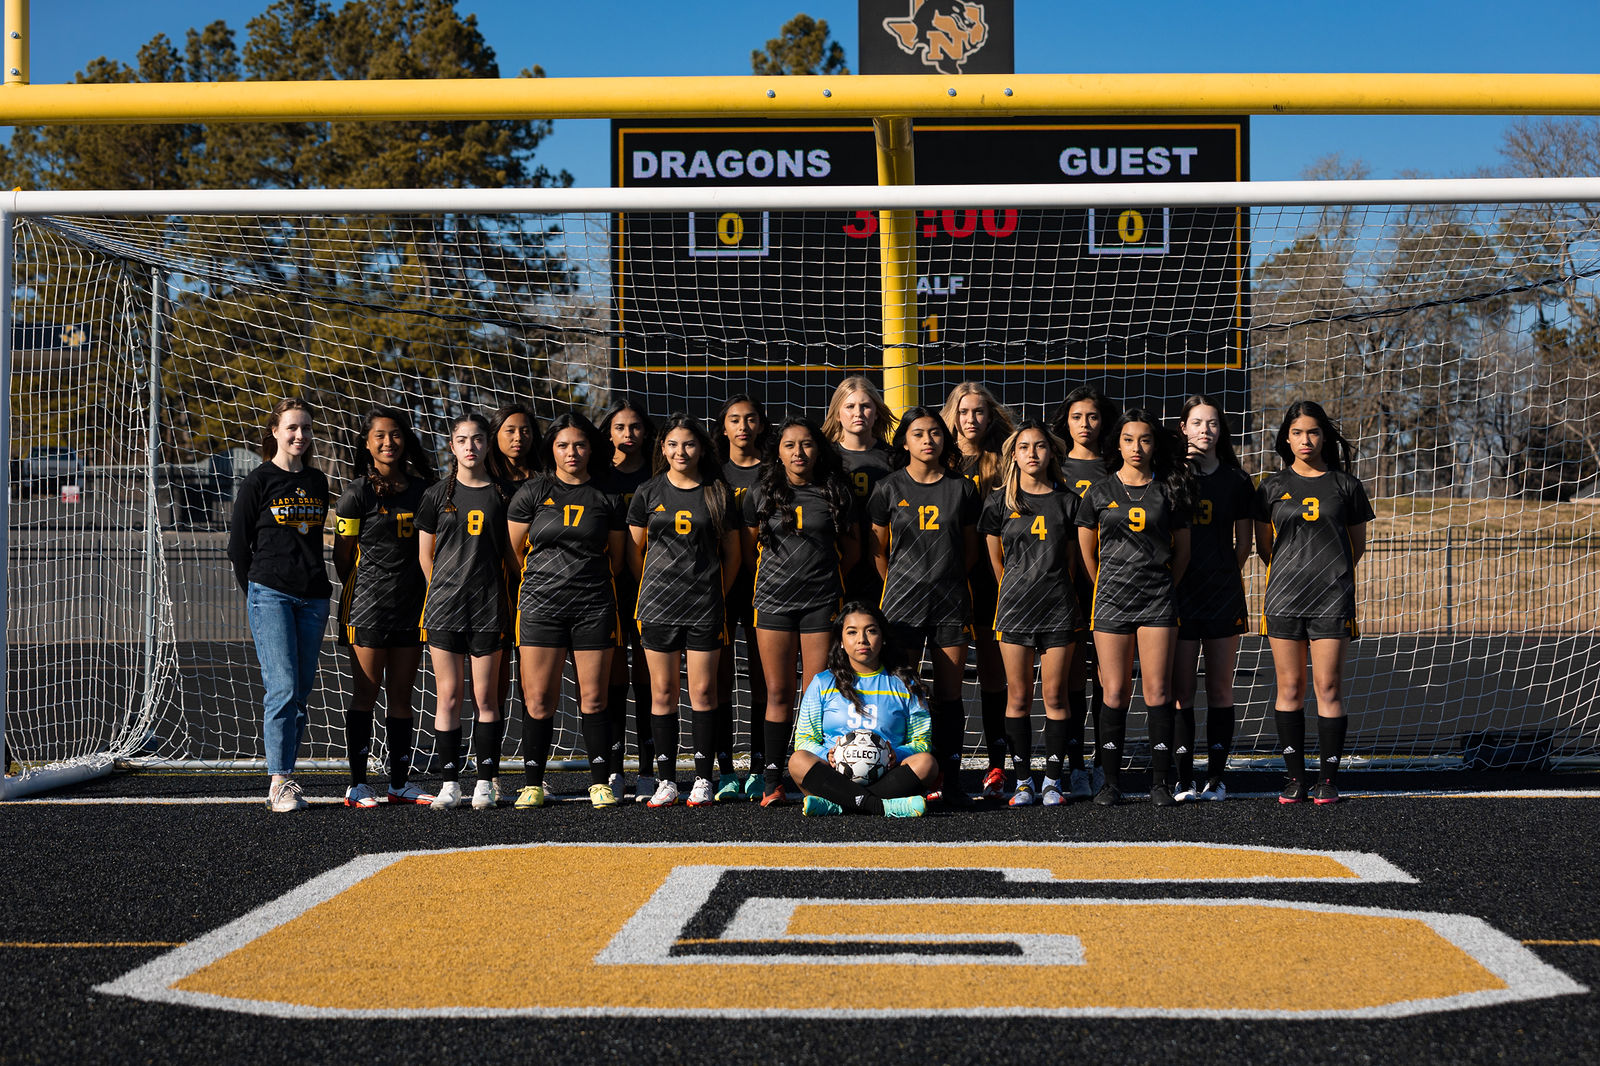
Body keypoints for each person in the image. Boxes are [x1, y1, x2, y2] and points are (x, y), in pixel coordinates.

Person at [508, 411, 630, 809]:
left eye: (579, 444)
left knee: (593, 699)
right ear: (552, 449)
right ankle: (533, 784)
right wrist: (547, 582)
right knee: (539, 700)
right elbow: (514, 553)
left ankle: (600, 782)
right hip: (540, 607)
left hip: (593, 607)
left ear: (591, 448)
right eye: (563, 445)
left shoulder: (607, 496)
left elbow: (616, 559)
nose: (571, 452)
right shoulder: (532, 492)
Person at [1255, 400, 1374, 806]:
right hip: (1284, 599)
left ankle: (1327, 779)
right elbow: (1265, 547)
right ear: (1286, 439)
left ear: (1324, 437)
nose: (1305, 440)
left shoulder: (1346, 485)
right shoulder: (1270, 487)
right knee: (1289, 687)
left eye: (1313, 432)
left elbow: (1355, 546)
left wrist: (1328, 574)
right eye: (1297, 433)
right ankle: (1295, 778)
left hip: (1331, 600)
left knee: (1328, 687)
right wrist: (1293, 573)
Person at [1076, 408, 1191, 807]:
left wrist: (1161, 585)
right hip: (1111, 602)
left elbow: (1183, 553)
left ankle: (1160, 783)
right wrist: (1107, 586)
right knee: (1114, 691)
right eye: (1128, 439)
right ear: (1118, 444)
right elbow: (1088, 553)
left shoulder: (1169, 491)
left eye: (1144, 439)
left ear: (1155, 444)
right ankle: (1110, 783)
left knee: (1158, 690)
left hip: (1158, 600)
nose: (1136, 447)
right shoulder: (1099, 492)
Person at [743, 416, 858, 807]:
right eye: (790, 445)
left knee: (816, 696)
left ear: (818, 449)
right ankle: (772, 780)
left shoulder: (835, 492)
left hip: (820, 603)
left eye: (806, 444)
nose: (799, 452)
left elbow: (852, 550)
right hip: (773, 603)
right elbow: (749, 550)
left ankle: (816, 780)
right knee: (777, 692)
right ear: (778, 451)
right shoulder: (761, 492)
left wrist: (820, 579)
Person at [627, 414, 741, 808]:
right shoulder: (647, 491)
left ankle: (704, 778)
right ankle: (666, 781)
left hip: (704, 608)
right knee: (663, 692)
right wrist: (657, 589)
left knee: (704, 692)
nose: (681, 451)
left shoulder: (718, 493)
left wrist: (713, 592)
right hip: (658, 607)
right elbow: (635, 553)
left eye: (689, 444)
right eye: (673, 444)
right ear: (663, 448)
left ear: (701, 449)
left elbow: (733, 555)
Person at [869, 405, 981, 807]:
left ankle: (951, 779)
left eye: (935, 432)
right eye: (918, 434)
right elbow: (879, 551)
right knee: (903, 694)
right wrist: (904, 581)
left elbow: (970, 551)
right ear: (904, 442)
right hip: (902, 605)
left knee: (950, 695)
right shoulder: (887, 488)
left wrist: (944, 578)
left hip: (950, 602)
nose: (928, 440)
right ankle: (905, 778)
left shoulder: (963, 488)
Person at [228, 398, 332, 813]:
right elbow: (238, 548)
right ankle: (279, 782)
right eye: (291, 427)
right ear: (274, 432)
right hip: (271, 593)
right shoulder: (258, 481)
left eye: (306, 428)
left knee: (300, 692)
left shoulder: (318, 481)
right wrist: (257, 592)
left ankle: (287, 775)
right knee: (283, 687)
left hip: (314, 597)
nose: (299, 435)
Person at [333, 406, 435, 807]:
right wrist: (368, 588)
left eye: (395, 435)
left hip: (411, 608)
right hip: (368, 608)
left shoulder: (424, 491)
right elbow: (343, 557)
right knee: (366, 694)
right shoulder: (356, 494)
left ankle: (399, 783)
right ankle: (358, 784)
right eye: (380, 436)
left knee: (402, 697)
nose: (388, 442)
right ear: (366, 443)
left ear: (406, 440)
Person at [979, 420, 1082, 806]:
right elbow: (996, 561)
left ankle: (1052, 781)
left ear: (1051, 452)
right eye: (1024, 447)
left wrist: (1051, 588)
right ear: (1013, 455)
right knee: (1018, 697)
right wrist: (1017, 589)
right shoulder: (998, 502)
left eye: (1040, 446)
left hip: (1058, 609)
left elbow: (1072, 561)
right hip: (1014, 610)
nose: (1032, 453)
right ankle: (1023, 781)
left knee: (1055, 695)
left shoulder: (1068, 501)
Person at [415, 413, 511, 811]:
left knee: (486, 698)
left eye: (477, 439)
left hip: (488, 607)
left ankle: (485, 782)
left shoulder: (503, 494)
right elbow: (426, 556)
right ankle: (450, 783)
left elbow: (511, 553)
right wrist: (444, 591)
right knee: (449, 696)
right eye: (462, 440)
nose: (470, 446)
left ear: (487, 444)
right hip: (445, 608)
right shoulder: (436, 495)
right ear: (452, 446)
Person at [1171, 395, 1254, 802]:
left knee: (1221, 689)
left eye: (1213, 423)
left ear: (1221, 430)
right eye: (1197, 423)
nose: (1206, 430)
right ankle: (1183, 778)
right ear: (1183, 428)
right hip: (1180, 595)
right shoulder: (1170, 477)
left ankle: (1216, 778)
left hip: (1222, 595)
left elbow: (1244, 545)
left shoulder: (1237, 481)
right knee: (1181, 692)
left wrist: (1221, 574)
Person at [789, 603, 936, 817]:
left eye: (871, 631)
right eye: (852, 632)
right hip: (834, 775)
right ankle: (881, 806)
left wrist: (897, 754)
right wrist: (827, 755)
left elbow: (922, 741)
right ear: (841, 641)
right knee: (798, 761)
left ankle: (839, 804)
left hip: (888, 773)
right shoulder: (823, 682)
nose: (862, 640)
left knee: (927, 763)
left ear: (883, 638)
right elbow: (804, 739)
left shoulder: (905, 685)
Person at [941, 381, 1013, 799]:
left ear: (990, 417)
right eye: (964, 411)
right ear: (952, 415)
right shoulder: (939, 458)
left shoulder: (1003, 461)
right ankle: (937, 764)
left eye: (979, 411)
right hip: (943, 578)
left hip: (989, 579)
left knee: (991, 671)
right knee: (943, 677)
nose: (971, 419)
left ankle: (997, 765)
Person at [1049, 385, 1120, 798]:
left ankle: (1101, 763)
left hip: (1112, 585)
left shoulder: (1116, 466)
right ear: (1066, 421)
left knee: (1107, 678)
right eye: (1077, 417)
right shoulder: (1054, 467)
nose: (1085, 424)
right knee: (1073, 677)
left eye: (1092, 417)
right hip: (1066, 585)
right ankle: (1075, 764)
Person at [598, 397, 657, 799]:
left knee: (649, 679)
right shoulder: (599, 477)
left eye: (635, 426)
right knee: (614, 680)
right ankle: (615, 768)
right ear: (608, 433)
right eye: (620, 427)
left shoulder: (660, 476)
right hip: (610, 588)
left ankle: (649, 768)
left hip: (657, 588)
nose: (628, 434)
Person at [714, 394, 770, 800]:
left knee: (763, 681)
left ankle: (761, 766)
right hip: (716, 589)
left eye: (750, 419)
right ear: (723, 427)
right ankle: (724, 769)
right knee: (719, 681)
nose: (743, 426)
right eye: (735, 419)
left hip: (764, 588)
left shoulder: (774, 472)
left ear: (761, 425)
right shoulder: (712, 474)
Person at [822, 375, 896, 605]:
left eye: (865, 406)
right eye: (850, 406)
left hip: (885, 561)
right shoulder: (825, 459)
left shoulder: (894, 459)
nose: (858, 413)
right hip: (838, 563)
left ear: (877, 412)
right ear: (837, 414)